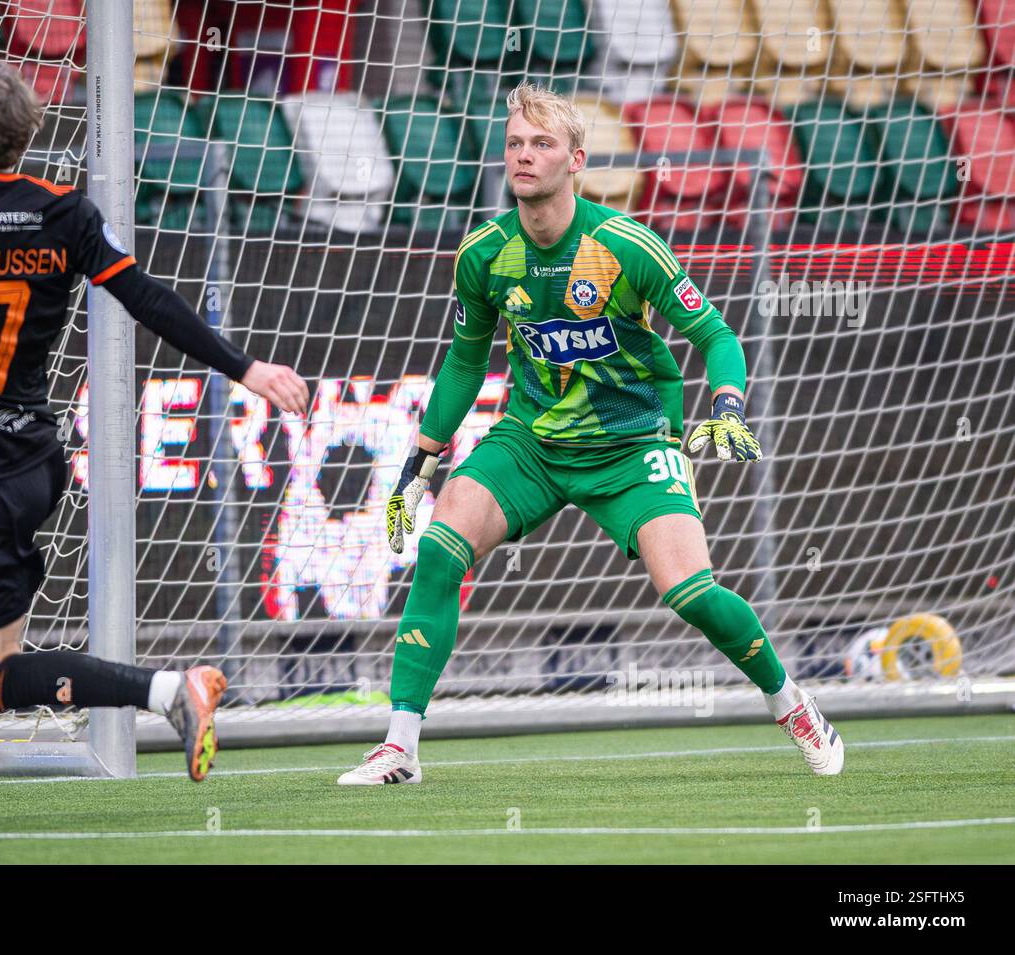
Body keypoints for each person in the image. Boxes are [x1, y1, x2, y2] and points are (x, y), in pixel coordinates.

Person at [0, 41, 308, 832]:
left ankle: (168, 691)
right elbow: (146, 297)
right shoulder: (62, 214)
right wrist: (244, 366)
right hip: (30, 458)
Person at [337, 82, 843, 786]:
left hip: (634, 444)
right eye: (515, 142)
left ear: (576, 160)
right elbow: (463, 362)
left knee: (691, 592)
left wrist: (726, 408)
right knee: (439, 549)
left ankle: (790, 702)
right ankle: (400, 744)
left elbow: (715, 332)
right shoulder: (483, 254)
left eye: (541, 143)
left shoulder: (624, 243)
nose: (523, 154)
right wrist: (421, 462)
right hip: (531, 443)